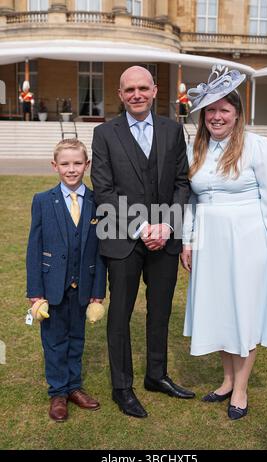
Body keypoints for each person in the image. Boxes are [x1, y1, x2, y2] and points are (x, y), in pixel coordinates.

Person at [181, 64, 267, 420]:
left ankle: (241, 389)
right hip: (209, 241)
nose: (216, 116)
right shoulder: (195, 148)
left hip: (248, 240)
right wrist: (187, 240)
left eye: (224, 110)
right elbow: (191, 200)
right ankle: (227, 379)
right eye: (211, 110)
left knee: (244, 309)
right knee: (221, 308)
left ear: (236, 113)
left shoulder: (257, 146)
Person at [91, 65, 195, 418]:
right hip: (121, 237)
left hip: (164, 238)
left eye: (143, 88)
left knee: (160, 310)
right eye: (129, 89)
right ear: (120, 95)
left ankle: (156, 374)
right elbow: (103, 191)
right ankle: (122, 387)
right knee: (119, 314)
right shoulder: (104, 134)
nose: (136, 94)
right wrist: (141, 228)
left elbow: (182, 182)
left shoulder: (172, 130)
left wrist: (165, 226)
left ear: (154, 90)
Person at [26, 138, 107, 422]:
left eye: (77, 163)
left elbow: (100, 252)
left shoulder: (98, 202)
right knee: (54, 341)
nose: (71, 169)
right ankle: (58, 392)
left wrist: (98, 292)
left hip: (83, 286)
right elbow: (34, 247)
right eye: (65, 164)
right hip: (52, 288)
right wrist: (35, 292)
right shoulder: (43, 201)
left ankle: (74, 387)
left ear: (87, 165)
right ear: (54, 166)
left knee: (77, 339)